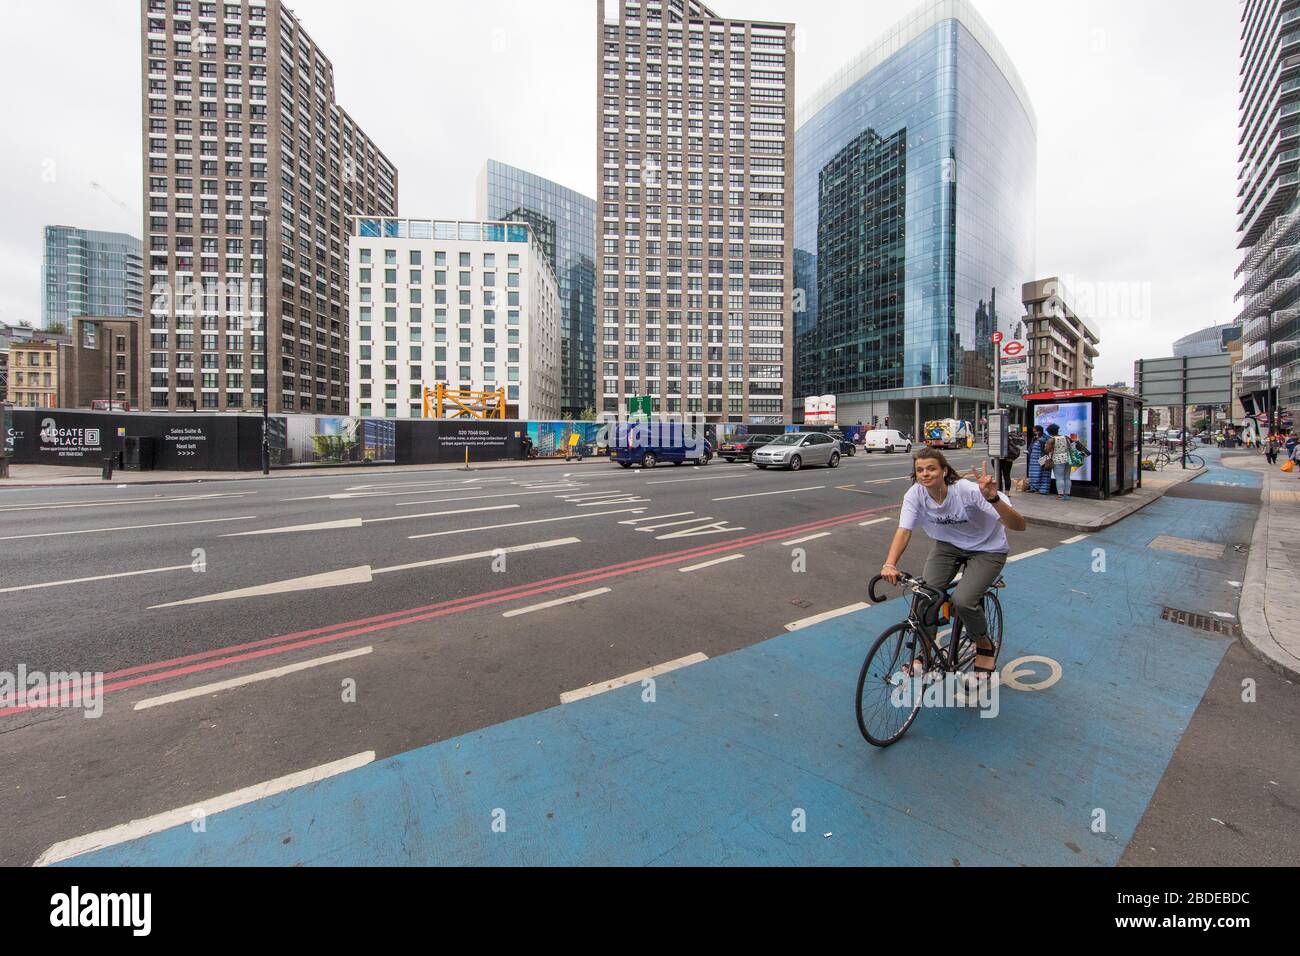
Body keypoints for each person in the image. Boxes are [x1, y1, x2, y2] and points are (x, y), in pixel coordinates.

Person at [880, 451, 1027, 681]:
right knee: (925, 595)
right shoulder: (916, 494)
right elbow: (904, 530)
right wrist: (890, 563)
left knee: (963, 600)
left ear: (944, 471)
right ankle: (926, 652)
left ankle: (983, 645)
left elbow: (1019, 525)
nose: (925, 474)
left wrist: (993, 498)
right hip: (948, 546)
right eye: (920, 470)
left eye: (931, 468)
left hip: (987, 549)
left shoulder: (967, 491)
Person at [1044, 424, 1089, 501]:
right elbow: (1072, 445)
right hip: (1068, 459)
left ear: (1050, 432)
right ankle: (1067, 495)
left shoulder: (1051, 440)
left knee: (1059, 478)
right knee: (1067, 477)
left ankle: (1060, 495)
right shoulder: (1066, 437)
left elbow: (1046, 450)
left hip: (1057, 460)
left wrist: (1047, 448)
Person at [1027, 425, 1051, 494]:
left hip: (1042, 458)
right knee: (1033, 474)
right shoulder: (1035, 438)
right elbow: (1031, 447)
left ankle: (1043, 490)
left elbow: (1047, 448)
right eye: (1034, 432)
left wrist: (1039, 440)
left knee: (1043, 474)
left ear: (1039, 431)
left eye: (1035, 431)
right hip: (1033, 460)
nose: (1035, 433)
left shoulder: (1046, 438)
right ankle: (1034, 488)